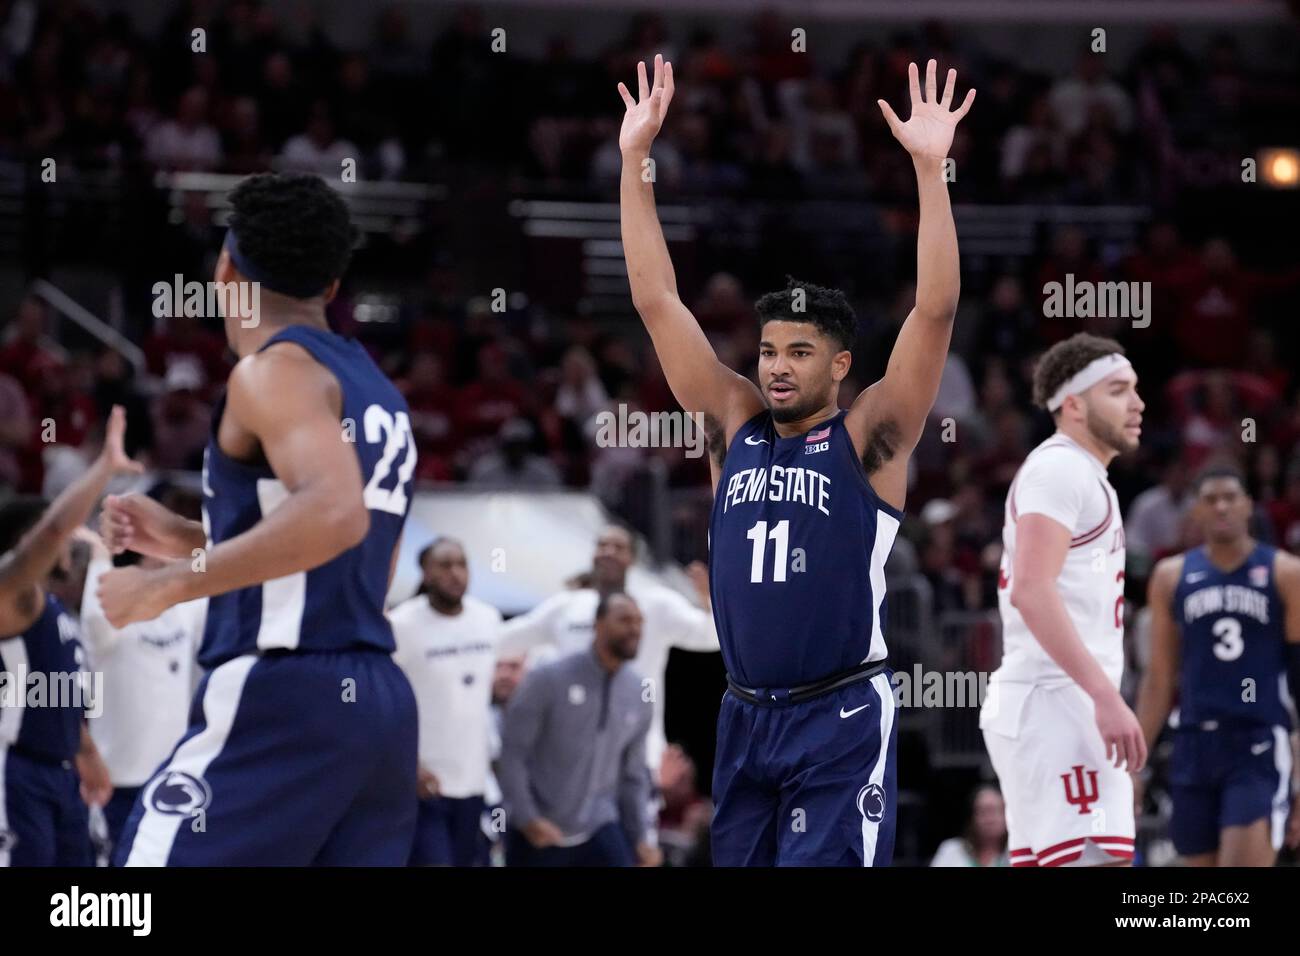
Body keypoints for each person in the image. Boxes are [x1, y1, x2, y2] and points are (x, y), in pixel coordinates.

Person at [618, 55, 973, 866]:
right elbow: (656, 299)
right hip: (745, 714)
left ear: (840, 365)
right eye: (770, 349)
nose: (776, 365)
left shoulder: (869, 436)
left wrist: (929, 169)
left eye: (800, 352)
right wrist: (636, 163)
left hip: (839, 714)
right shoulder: (731, 420)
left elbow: (936, 307)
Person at [95, 172, 420, 866]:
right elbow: (348, 561)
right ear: (332, 287)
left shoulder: (272, 373)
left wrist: (166, 584)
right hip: (379, 707)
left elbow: (334, 517)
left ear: (225, 269)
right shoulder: (378, 390)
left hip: (284, 696)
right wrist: (185, 538)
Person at [981, 333, 1147, 868]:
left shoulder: (1082, 473)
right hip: (1054, 701)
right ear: (1073, 404)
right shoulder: (1061, 469)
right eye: (1119, 391)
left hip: (1055, 702)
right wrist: (1105, 696)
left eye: (1135, 390)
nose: (1138, 404)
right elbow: (1033, 589)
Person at [1135, 465, 1300, 866]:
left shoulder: (1285, 573)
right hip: (1192, 742)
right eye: (1210, 499)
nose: (1221, 507)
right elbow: (1159, 678)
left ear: (1248, 506)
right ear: (1195, 511)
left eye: (1231, 497)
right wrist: (1133, 767)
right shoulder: (1171, 576)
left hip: (1256, 741)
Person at [0, 405, 136, 866]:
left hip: (62, 771)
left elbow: (60, 689)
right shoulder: (10, 598)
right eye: (59, 536)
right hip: (15, 771)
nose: (71, 540)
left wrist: (87, 751)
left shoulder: (55, 607)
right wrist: (104, 468)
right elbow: (55, 526)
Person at [498, 523, 717, 773]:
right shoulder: (567, 608)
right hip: (572, 755)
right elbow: (501, 641)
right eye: (602, 545)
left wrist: (709, 599)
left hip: (637, 751)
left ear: (632, 558)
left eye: (618, 547)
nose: (609, 552)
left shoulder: (656, 604)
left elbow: (711, 637)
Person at [498, 592, 658, 867]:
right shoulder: (547, 678)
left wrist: (641, 836)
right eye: (624, 620)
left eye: (639, 621)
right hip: (540, 830)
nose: (634, 629)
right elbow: (512, 754)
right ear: (597, 624)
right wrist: (527, 818)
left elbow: (633, 775)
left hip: (599, 825)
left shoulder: (638, 691)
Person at [78, 520, 207, 858]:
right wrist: (99, 557)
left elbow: (211, 570)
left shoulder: (183, 611)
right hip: (118, 780)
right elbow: (95, 615)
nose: (165, 562)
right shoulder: (112, 621)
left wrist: (177, 539)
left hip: (173, 777)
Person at [389, 537, 503, 866]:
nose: (455, 573)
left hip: (473, 783)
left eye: (462, 564)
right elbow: (382, 701)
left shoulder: (487, 618)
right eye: (445, 565)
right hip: (423, 784)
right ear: (425, 573)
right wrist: (407, 763)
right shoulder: (402, 625)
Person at [929, 785, 1009, 867]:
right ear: (972, 818)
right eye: (982, 811)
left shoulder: (1015, 854)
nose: (989, 818)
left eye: (995, 810)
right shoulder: (951, 851)